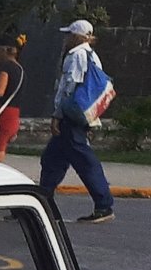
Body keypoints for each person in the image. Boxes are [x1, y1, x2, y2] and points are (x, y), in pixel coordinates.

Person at [40, 17, 116, 223]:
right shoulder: (93, 56)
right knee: (52, 159)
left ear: (76, 36)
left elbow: (70, 88)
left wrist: (57, 115)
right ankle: (43, 202)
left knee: (83, 160)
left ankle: (104, 204)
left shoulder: (75, 56)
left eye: (69, 34)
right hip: (80, 115)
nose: (66, 39)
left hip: (69, 117)